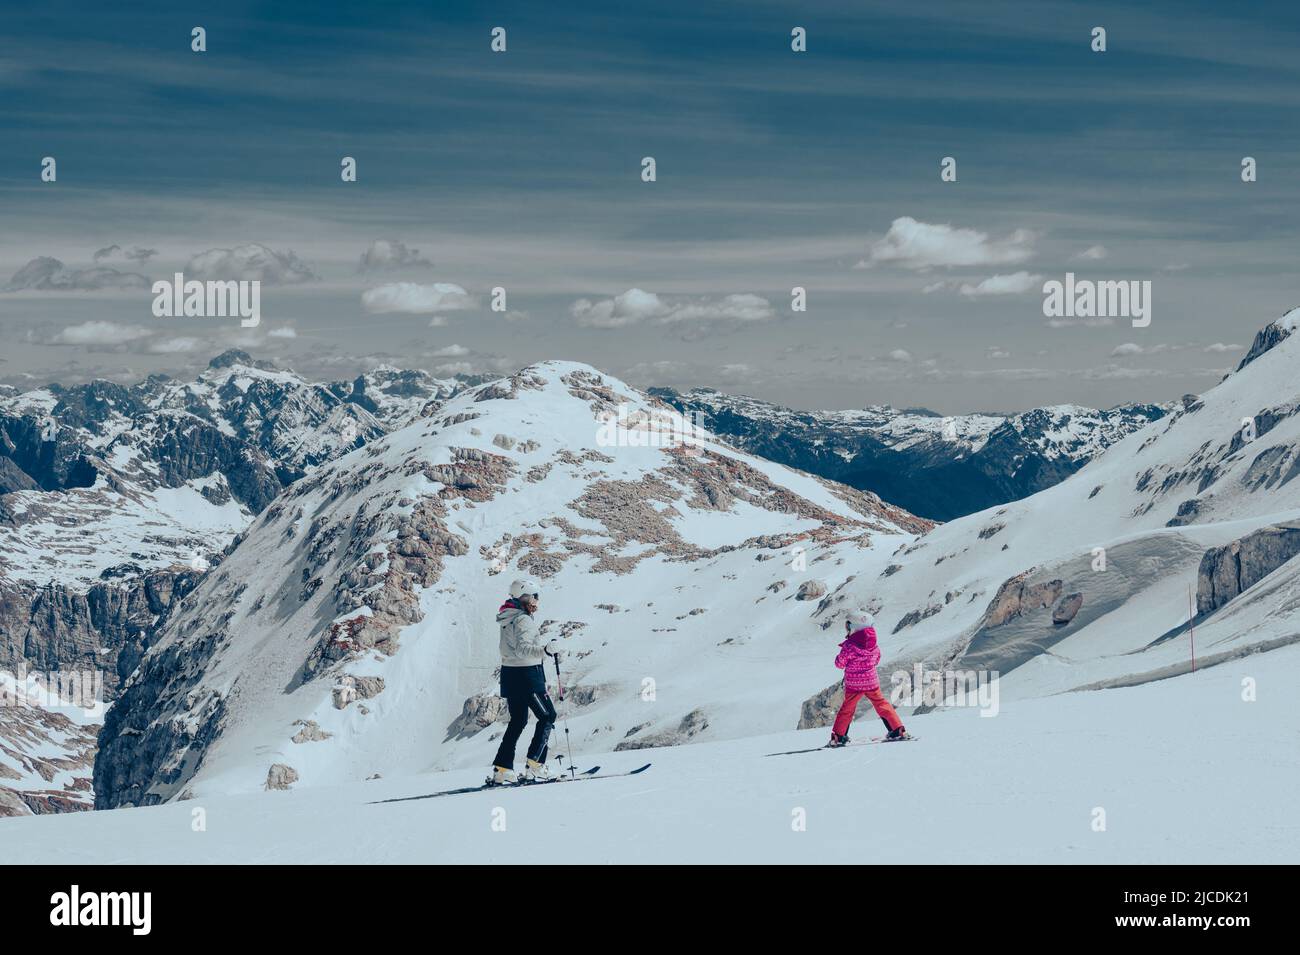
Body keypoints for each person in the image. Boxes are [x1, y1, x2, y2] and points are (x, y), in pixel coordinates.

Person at [487, 577, 564, 785]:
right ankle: (536, 765)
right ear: (525, 597)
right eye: (535, 596)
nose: (537, 601)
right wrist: (546, 650)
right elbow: (523, 650)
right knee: (548, 715)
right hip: (527, 676)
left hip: (510, 675)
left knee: (518, 721)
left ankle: (503, 769)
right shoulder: (522, 619)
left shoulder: (507, 616)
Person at [829, 610, 908, 746]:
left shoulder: (849, 646)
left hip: (854, 685)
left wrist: (840, 659)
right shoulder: (873, 645)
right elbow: (877, 659)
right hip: (872, 682)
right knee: (882, 705)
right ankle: (897, 730)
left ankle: (839, 737)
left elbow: (839, 664)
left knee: (847, 710)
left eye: (848, 626)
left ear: (854, 628)